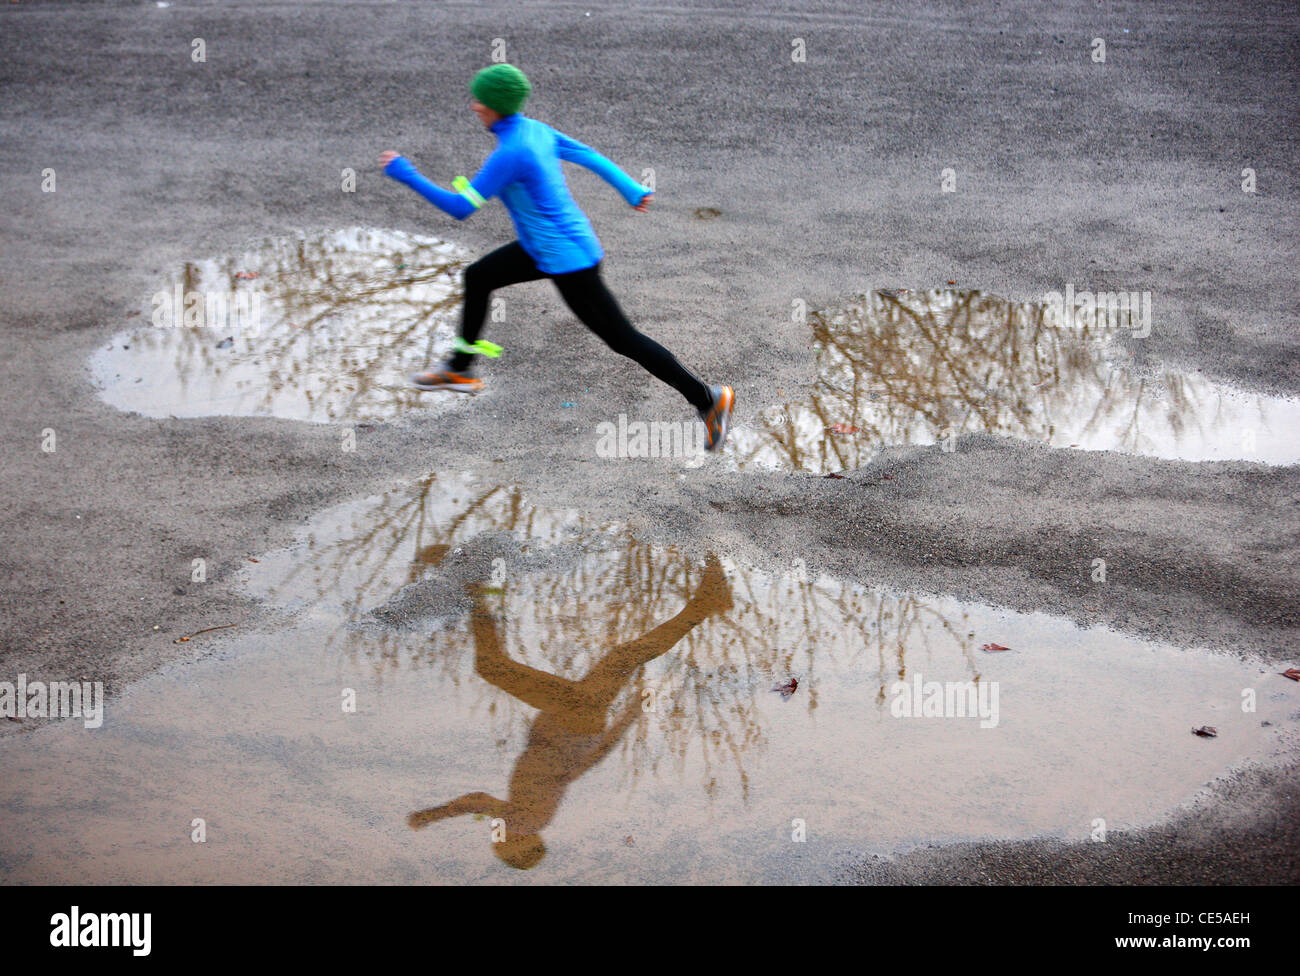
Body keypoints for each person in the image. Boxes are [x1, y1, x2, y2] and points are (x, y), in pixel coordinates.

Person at [380, 63, 734, 451]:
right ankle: (460, 369)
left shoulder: (511, 152)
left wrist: (406, 174)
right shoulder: (534, 130)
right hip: (543, 248)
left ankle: (708, 400)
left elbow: (461, 208)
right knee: (478, 276)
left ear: (496, 105)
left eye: (480, 99)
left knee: (624, 340)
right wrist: (630, 189)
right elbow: (589, 155)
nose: (474, 106)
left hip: (568, 260)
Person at [408, 553, 734, 869]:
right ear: (517, 845)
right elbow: (477, 801)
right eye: (500, 847)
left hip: (581, 722)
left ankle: (706, 604)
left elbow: (591, 760)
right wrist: (432, 815)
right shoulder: (525, 822)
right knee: (492, 667)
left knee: (625, 657)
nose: (495, 840)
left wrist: (630, 715)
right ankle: (474, 583)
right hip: (570, 716)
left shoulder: (541, 814)